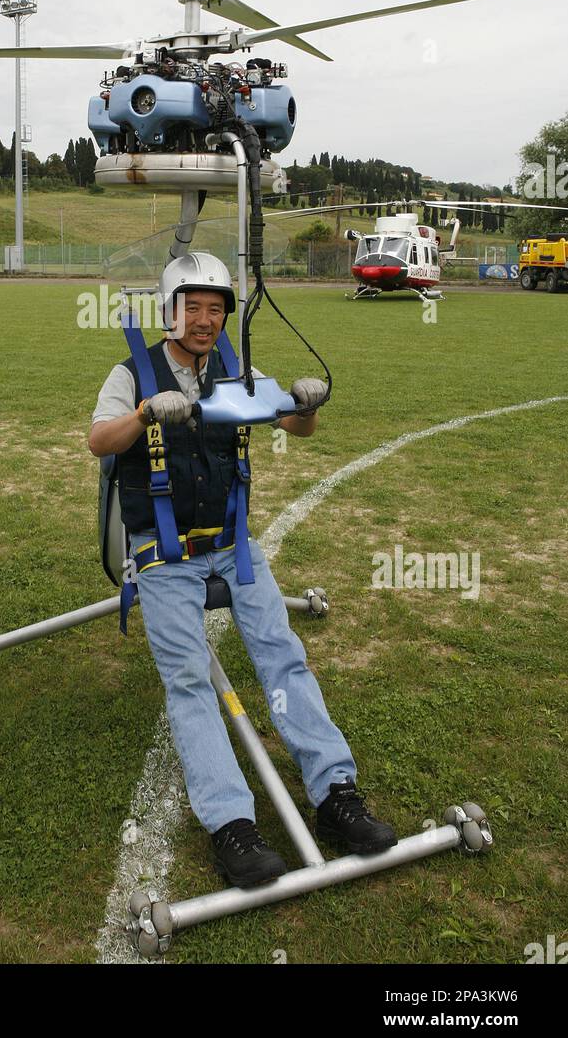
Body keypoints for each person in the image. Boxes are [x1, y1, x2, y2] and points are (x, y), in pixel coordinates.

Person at [88, 252, 396, 887]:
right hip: (165, 554)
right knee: (189, 680)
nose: (204, 320)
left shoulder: (236, 366)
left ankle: (335, 793)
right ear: (170, 312)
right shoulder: (133, 371)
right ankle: (232, 822)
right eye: (192, 308)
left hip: (234, 543)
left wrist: (306, 405)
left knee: (283, 654)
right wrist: (146, 413)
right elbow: (99, 441)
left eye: (215, 308)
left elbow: (294, 424)